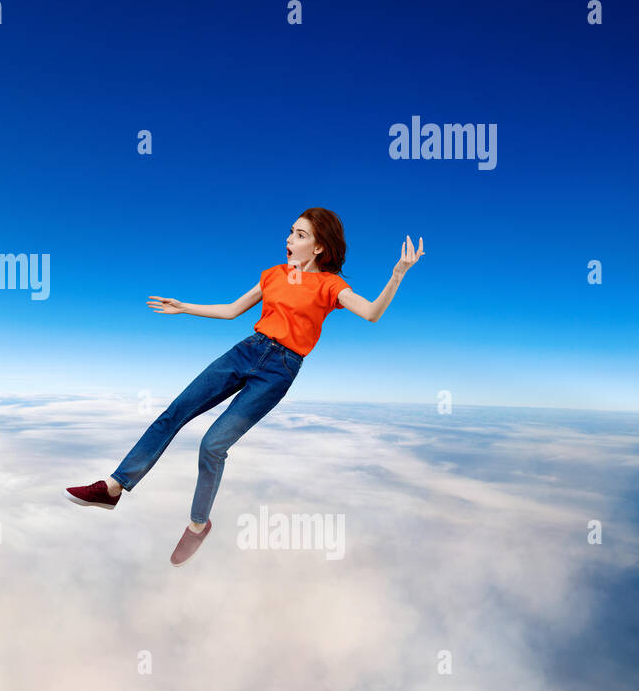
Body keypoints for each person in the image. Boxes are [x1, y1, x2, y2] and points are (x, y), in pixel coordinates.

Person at [63, 208, 424, 567]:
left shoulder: (332, 286)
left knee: (213, 444)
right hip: (246, 350)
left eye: (300, 235)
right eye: (291, 232)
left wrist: (396, 276)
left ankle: (198, 524)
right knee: (174, 413)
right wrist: (184, 307)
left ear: (318, 248)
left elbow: (373, 313)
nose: (289, 239)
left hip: (279, 370)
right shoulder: (273, 275)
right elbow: (233, 310)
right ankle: (113, 487)